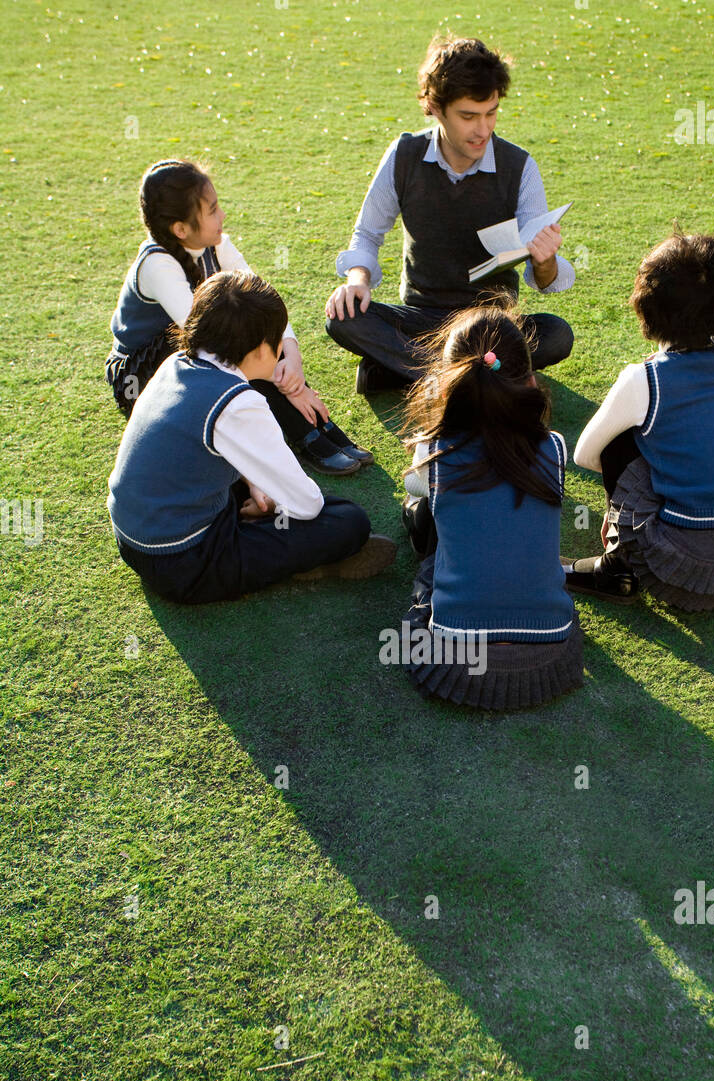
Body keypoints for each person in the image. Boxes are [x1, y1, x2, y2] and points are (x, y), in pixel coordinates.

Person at [107, 270, 396, 605]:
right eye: (279, 343)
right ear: (261, 349)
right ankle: (310, 561)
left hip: (136, 538)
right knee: (348, 521)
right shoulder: (238, 402)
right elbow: (306, 504)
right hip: (184, 562)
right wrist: (272, 502)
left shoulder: (175, 363)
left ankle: (273, 538)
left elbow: (215, 445)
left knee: (263, 493)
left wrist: (256, 486)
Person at [325, 36, 575, 395]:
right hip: (422, 317)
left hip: (490, 322)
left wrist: (546, 260)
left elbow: (546, 278)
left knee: (556, 335)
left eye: (491, 113)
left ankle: (402, 369)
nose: (483, 130)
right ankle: (470, 375)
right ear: (435, 107)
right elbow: (367, 234)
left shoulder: (519, 166)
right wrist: (358, 280)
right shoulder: (404, 155)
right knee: (344, 317)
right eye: (468, 116)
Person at [106, 160, 369, 476]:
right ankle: (303, 432)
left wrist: (292, 357)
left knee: (254, 320)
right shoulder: (157, 264)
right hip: (148, 369)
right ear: (180, 229)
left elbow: (264, 301)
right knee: (237, 344)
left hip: (203, 346)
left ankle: (318, 426)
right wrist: (282, 380)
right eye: (213, 210)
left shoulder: (215, 243)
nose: (223, 216)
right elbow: (205, 339)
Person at [563, 233, 714, 610]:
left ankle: (616, 567)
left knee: (625, 438)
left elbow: (585, 454)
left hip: (682, 569)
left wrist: (624, 510)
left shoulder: (645, 378)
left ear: (647, 306)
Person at [395, 302, 583, 711]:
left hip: (458, 659)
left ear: (446, 386)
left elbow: (415, 484)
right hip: (550, 651)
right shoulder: (553, 447)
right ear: (531, 382)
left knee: (423, 516)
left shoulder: (435, 451)